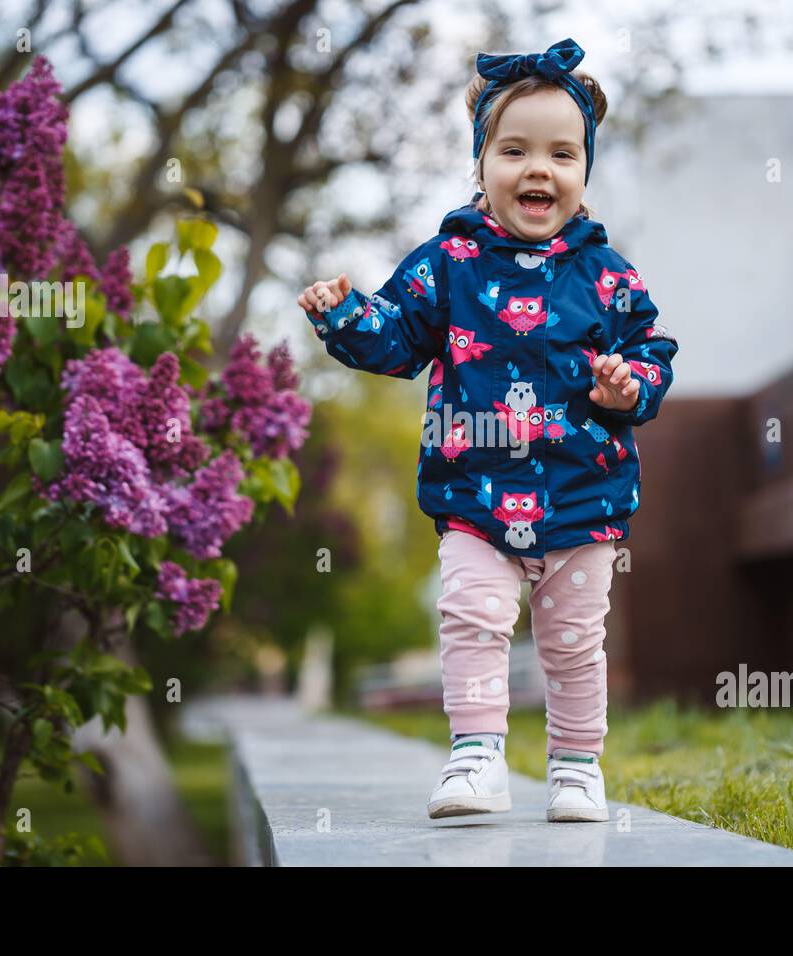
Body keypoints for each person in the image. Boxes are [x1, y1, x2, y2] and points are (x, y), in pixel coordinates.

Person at [297, 38, 679, 823]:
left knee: (573, 643)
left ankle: (577, 768)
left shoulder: (609, 277)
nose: (538, 169)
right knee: (471, 618)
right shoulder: (451, 263)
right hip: (475, 495)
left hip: (581, 498)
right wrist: (346, 315)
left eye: (561, 153)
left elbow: (652, 357)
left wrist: (627, 384)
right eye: (515, 150)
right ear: (483, 166)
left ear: (583, 172)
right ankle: (476, 756)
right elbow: (399, 336)